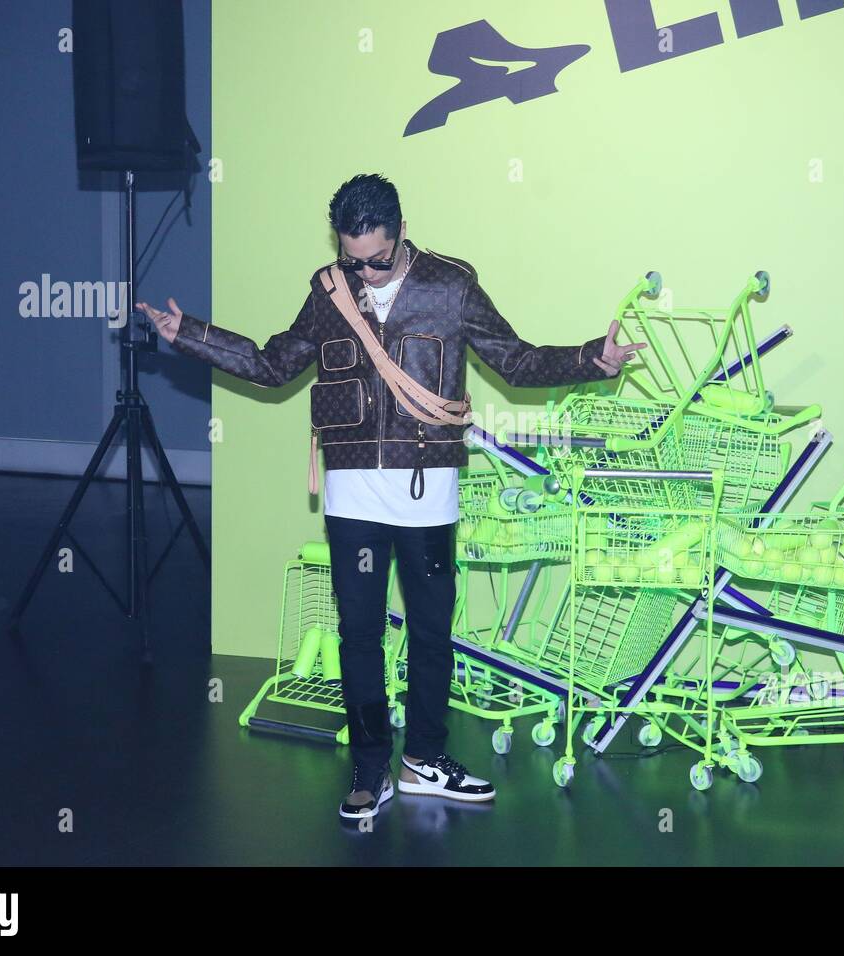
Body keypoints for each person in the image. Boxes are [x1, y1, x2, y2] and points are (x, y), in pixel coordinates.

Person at [138, 173, 645, 822]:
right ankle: (370, 767)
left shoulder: (450, 285)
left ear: (402, 232)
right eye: (354, 260)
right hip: (352, 495)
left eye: (377, 259)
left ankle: (425, 759)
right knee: (359, 636)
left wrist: (590, 359)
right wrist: (191, 334)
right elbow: (273, 365)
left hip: (428, 494)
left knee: (433, 634)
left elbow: (514, 362)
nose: (367, 275)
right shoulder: (330, 291)